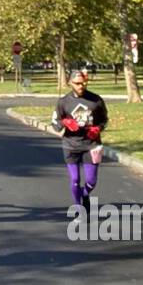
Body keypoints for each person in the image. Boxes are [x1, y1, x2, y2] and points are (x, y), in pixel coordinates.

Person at [51, 70, 109, 212]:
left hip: (92, 145)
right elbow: (55, 122)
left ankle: (85, 195)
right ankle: (78, 207)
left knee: (91, 181)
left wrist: (98, 128)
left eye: (83, 83)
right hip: (71, 145)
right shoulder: (63, 102)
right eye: (77, 83)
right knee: (75, 180)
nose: (80, 86)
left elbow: (105, 120)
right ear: (70, 83)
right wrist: (65, 122)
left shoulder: (96, 100)